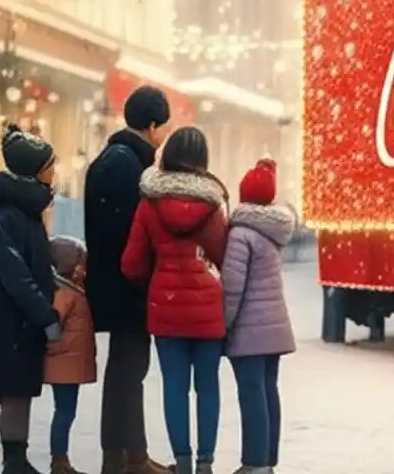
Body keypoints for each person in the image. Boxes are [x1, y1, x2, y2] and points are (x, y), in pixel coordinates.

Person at [121, 127, 228, 474]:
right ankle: (206, 463)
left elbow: (132, 264)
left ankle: (181, 461)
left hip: (165, 309)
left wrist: (153, 278)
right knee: (208, 385)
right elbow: (222, 254)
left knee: (175, 387)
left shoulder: (150, 202)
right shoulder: (213, 204)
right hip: (208, 309)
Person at [85, 86, 171, 474]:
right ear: (151, 126)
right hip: (127, 286)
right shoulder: (126, 166)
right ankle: (123, 459)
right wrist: (139, 279)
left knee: (125, 369)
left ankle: (127, 454)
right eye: (162, 128)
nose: (163, 136)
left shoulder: (111, 159)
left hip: (115, 283)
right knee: (128, 370)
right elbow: (128, 234)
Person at [0, 125, 61, 474]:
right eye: (51, 165)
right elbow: (16, 275)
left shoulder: (20, 211)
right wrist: (44, 315)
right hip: (9, 320)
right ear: (36, 170)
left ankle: (11, 459)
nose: (55, 172)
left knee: (11, 387)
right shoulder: (5, 215)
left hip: (12, 320)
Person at [221, 159, 296, 474]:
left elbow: (233, 287)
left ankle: (254, 463)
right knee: (268, 391)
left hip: (250, 331)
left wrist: (223, 323)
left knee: (251, 394)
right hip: (274, 328)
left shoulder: (241, 234)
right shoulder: (272, 231)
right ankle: (267, 461)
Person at [44, 237, 97, 474]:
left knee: (66, 412)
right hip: (65, 364)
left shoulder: (72, 290)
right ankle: (59, 461)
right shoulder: (64, 294)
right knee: (64, 412)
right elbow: (52, 327)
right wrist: (57, 350)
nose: (83, 268)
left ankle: (61, 460)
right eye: (80, 263)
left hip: (69, 363)